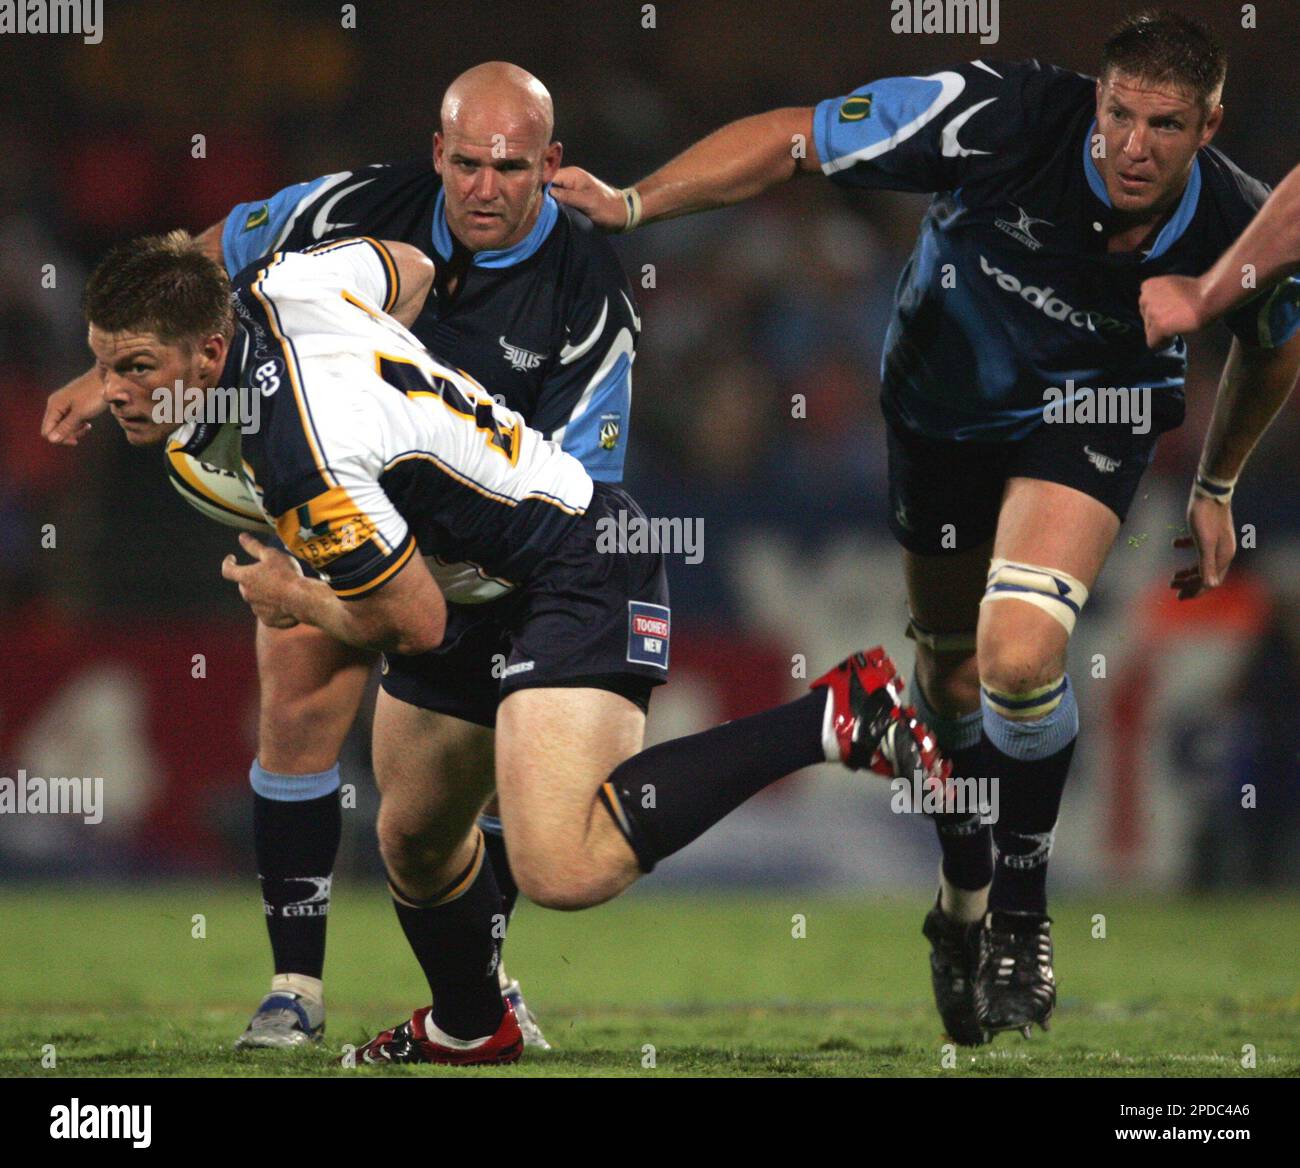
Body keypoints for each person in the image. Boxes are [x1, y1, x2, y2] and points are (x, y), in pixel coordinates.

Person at [550, 8, 1300, 1043]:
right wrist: (633, 203)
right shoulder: (997, 116)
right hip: (939, 418)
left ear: (1207, 126)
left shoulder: (1238, 223)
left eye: (1163, 126)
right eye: (1118, 115)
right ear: (1095, 99)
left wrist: (1214, 483)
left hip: (1087, 421)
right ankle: (961, 904)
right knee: (946, 681)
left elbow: (1273, 337)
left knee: (1021, 649)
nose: (1133, 146)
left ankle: (1022, 922)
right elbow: (794, 138)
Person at [81, 229, 948, 1064]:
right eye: (103, 363)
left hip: (572, 564)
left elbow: (408, 625)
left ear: (207, 353)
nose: (112, 390)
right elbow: (408, 266)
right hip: (473, 579)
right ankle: (470, 1027)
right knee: (415, 838)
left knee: (561, 865)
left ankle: (834, 715)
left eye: (135, 368)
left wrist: (294, 596)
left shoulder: (300, 449)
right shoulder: (280, 283)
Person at [44, 61, 640, 1050]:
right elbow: (195, 263)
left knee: (475, 773)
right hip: (338, 496)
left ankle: (481, 987)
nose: (482, 187)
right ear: (436, 150)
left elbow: (577, 475)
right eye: (464, 163)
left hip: (490, 548)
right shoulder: (361, 206)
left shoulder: (589, 296)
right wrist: (112, 374)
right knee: (295, 691)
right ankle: (295, 990)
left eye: (511, 166)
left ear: (552, 166)